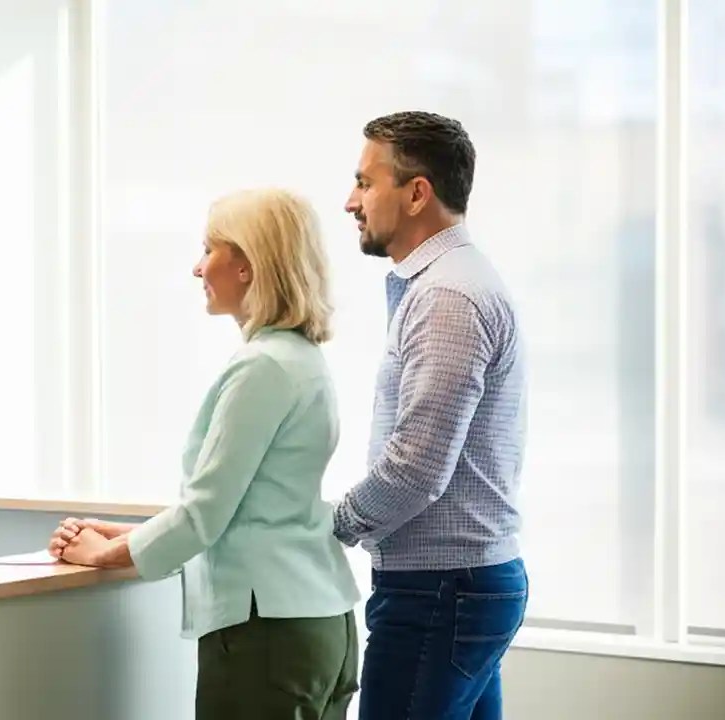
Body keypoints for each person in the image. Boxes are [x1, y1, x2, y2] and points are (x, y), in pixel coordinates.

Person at [49, 189, 361, 720]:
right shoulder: (303, 359)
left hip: (265, 635)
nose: (198, 268)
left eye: (209, 249)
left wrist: (101, 556)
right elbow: (255, 505)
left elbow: (205, 514)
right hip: (319, 622)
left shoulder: (261, 368)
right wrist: (122, 534)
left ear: (247, 265)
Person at [332, 111, 528, 719]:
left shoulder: (447, 295)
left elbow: (417, 468)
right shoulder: (453, 283)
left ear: (417, 193)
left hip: (441, 591)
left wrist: (332, 526)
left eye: (366, 182)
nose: (350, 201)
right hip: (459, 587)